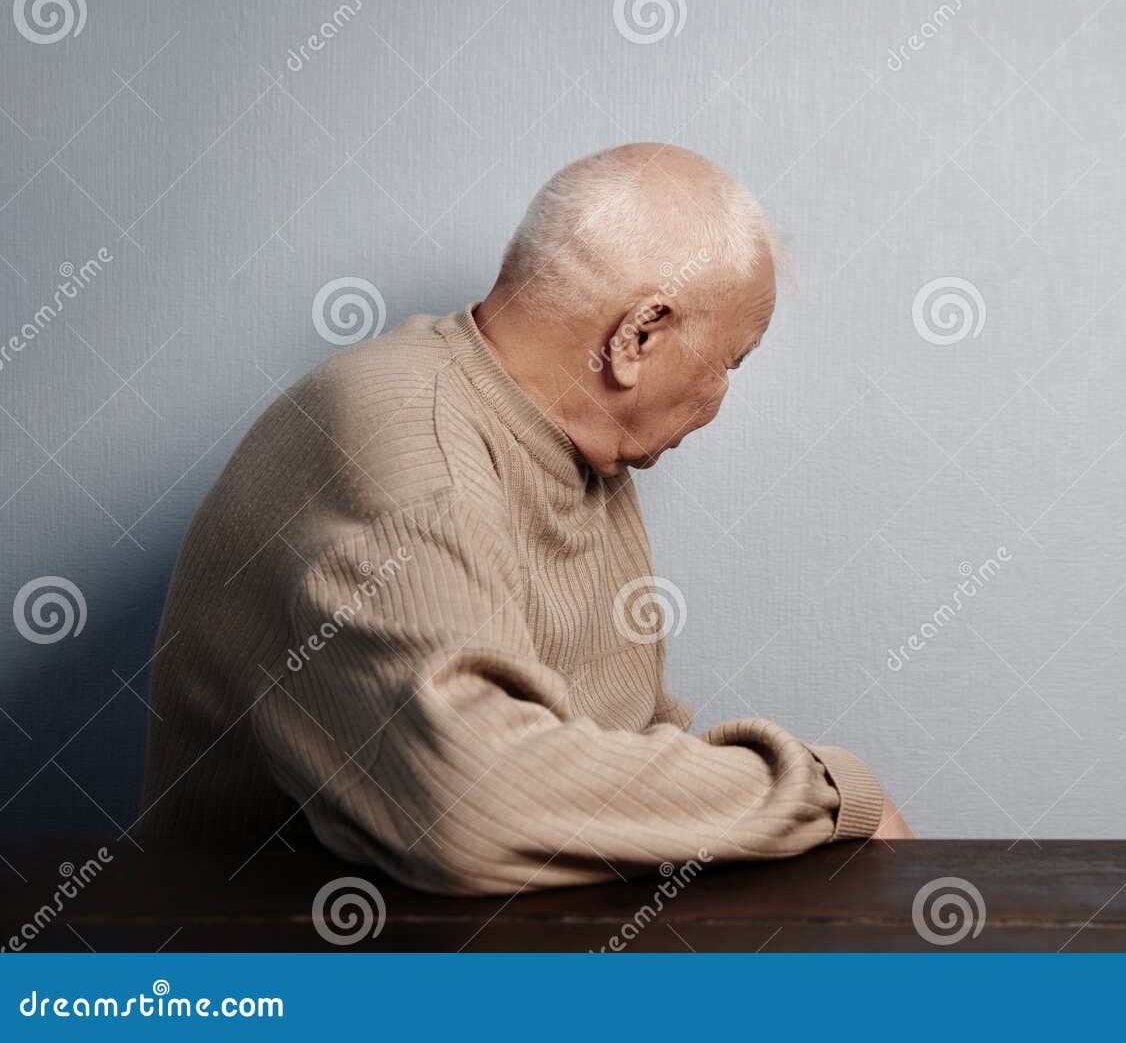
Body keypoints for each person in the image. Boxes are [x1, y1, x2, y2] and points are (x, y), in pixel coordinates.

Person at [136, 144, 910, 895]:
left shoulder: (577, 441)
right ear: (637, 336)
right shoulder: (413, 451)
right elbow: (470, 804)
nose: (718, 400)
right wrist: (825, 793)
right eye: (730, 363)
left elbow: (625, 744)